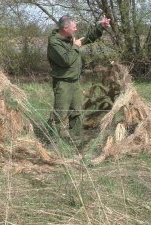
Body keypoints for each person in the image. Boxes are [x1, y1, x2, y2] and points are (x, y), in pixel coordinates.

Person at [47, 14, 110, 143]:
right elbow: (66, 60)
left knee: (76, 111)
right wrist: (75, 46)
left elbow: (87, 38)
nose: (76, 29)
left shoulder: (70, 38)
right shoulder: (54, 42)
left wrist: (100, 27)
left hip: (74, 81)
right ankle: (52, 142)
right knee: (60, 113)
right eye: (73, 27)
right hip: (63, 83)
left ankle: (75, 139)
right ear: (65, 28)